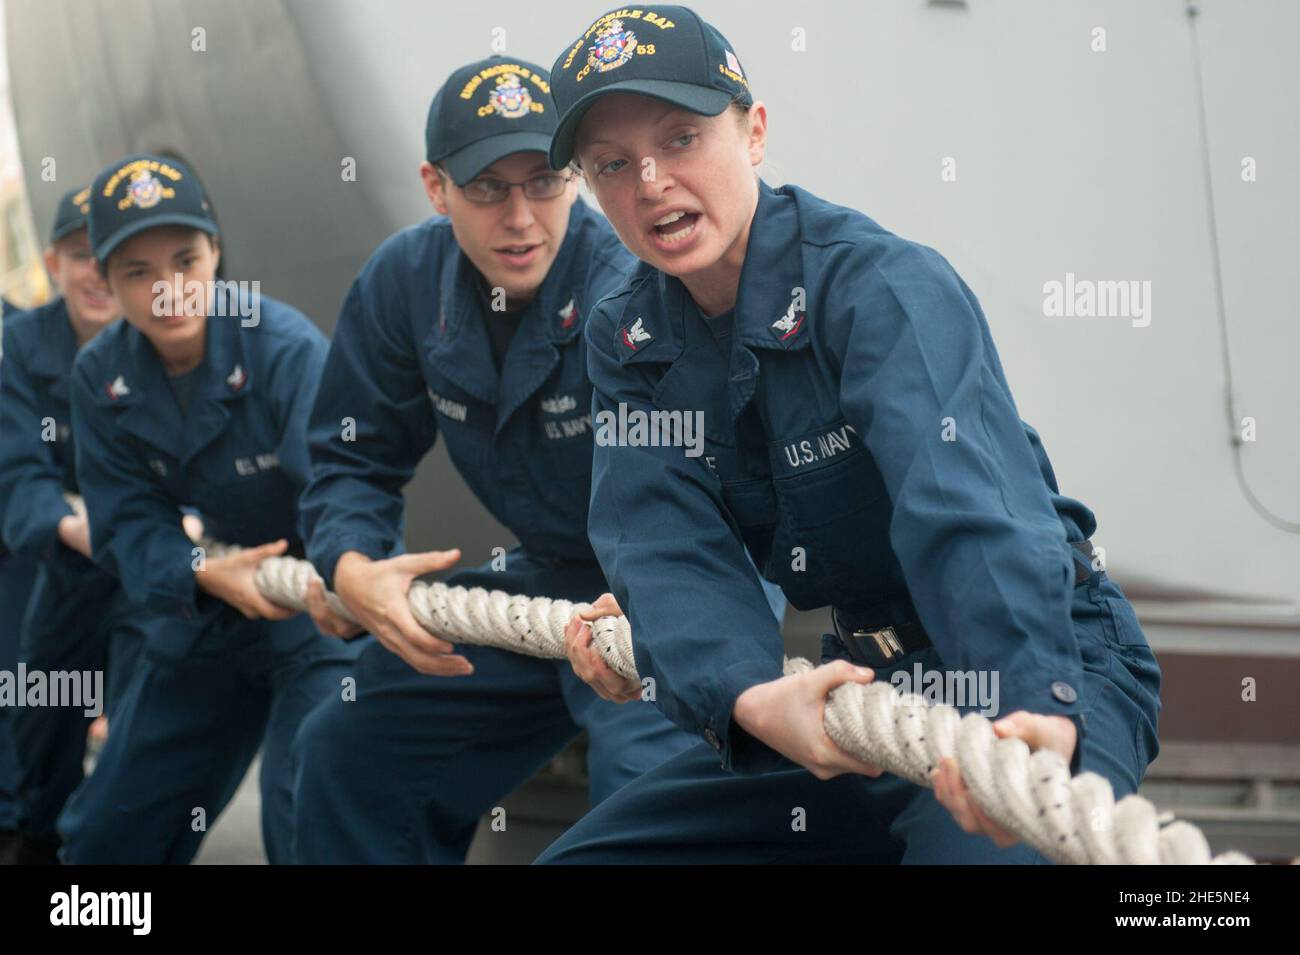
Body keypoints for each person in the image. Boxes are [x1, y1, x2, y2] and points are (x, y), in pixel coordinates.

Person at [535, 5, 1162, 863]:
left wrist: (1031, 703)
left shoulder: (880, 287)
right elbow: (662, 540)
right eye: (612, 164)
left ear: (753, 132)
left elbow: (964, 507)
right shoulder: (628, 339)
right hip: (861, 685)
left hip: (1035, 660)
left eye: (681, 138)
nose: (650, 182)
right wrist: (749, 695)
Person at [292, 54, 782, 863]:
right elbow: (351, 455)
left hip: (677, 581)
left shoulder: (636, 287)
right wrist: (349, 562)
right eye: (488, 187)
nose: (520, 217)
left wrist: (669, 608)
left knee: (643, 809)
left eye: (545, 183)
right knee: (347, 751)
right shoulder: (404, 285)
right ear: (435, 186)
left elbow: (720, 491)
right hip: (547, 576)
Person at [56, 153, 359, 863]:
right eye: (138, 271)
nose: (169, 290)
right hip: (207, 603)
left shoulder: (283, 351)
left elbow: (343, 488)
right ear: (105, 281)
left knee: (304, 805)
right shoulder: (100, 377)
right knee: (105, 832)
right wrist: (199, 571)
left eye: (186, 260)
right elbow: (126, 522)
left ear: (216, 254)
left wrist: (342, 582)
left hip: (316, 606)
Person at [0, 187, 147, 865]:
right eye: (81, 255)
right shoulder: (17, 346)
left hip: (156, 558)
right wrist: (70, 524)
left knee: (151, 723)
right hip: (53, 550)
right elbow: (17, 471)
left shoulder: (164, 340)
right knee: (38, 713)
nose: (95, 272)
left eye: (112, 255)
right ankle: (30, 826)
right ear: (53, 261)